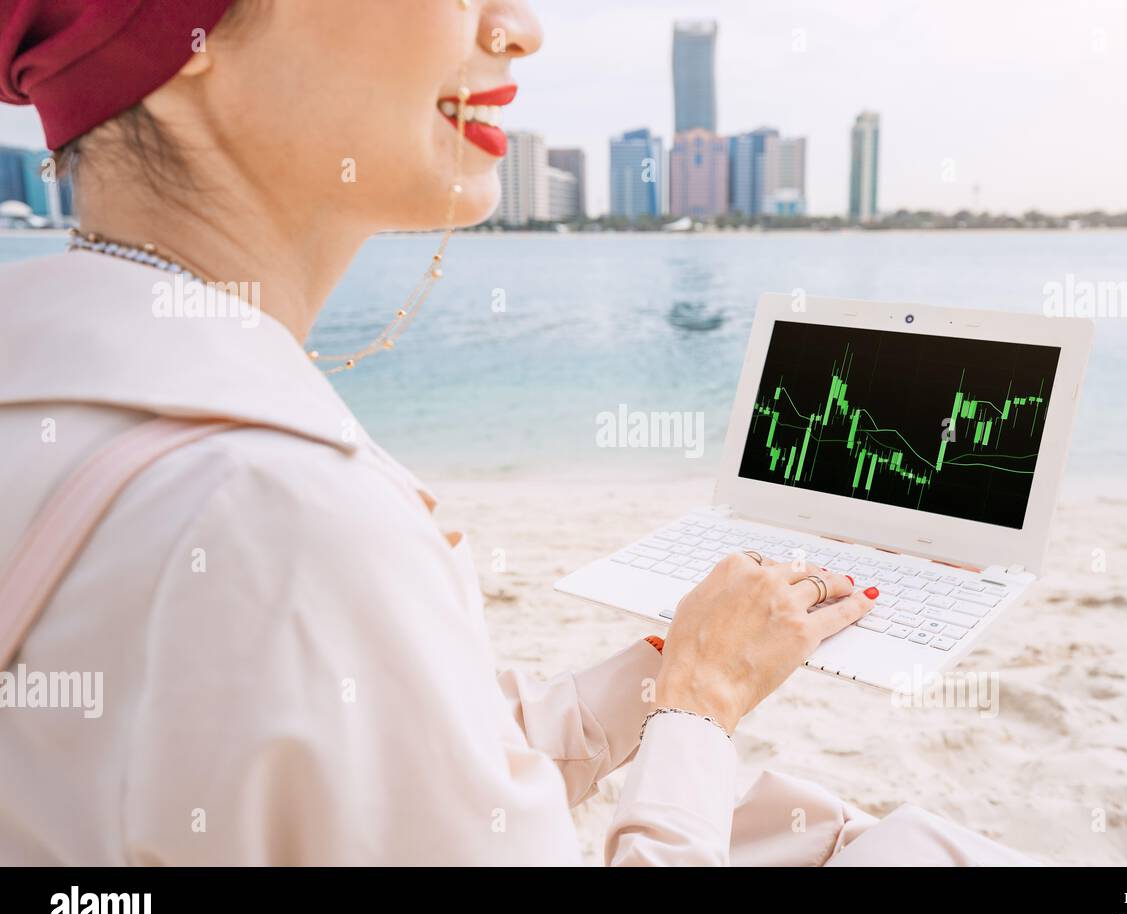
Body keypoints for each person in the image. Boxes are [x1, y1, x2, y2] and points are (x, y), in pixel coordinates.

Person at [0, 0, 1032, 866]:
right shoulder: (278, 511)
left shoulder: (66, 394)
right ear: (189, 40)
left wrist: (676, 666)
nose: (520, 28)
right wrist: (700, 709)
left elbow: (407, 779)